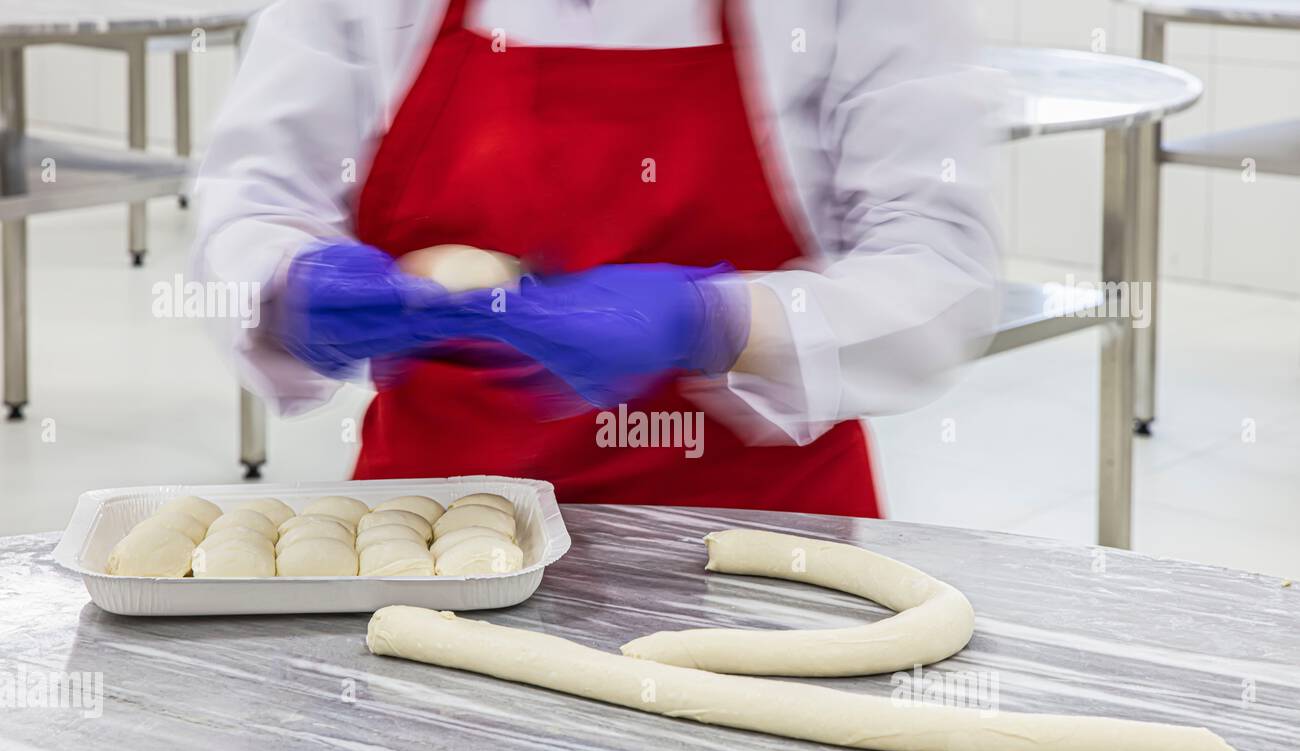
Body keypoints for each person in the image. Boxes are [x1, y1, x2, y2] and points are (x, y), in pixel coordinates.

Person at [194, 0, 999, 517]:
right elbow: (252, 200)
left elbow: (939, 265)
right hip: (430, 527)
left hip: (763, 539)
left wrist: (716, 320)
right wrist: (289, 286)